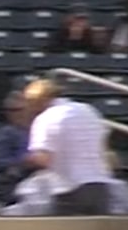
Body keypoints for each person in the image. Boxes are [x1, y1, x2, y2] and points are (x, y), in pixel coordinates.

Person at [24, 78, 111, 215]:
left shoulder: (45, 118)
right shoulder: (89, 110)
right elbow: (103, 146)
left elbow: (43, 158)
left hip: (69, 188)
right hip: (100, 186)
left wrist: (25, 161)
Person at [0, 91, 30, 180]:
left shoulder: (40, 129)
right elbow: (1, 161)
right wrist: (26, 162)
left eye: (20, 109)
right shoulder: (4, 134)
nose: (16, 114)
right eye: (11, 110)